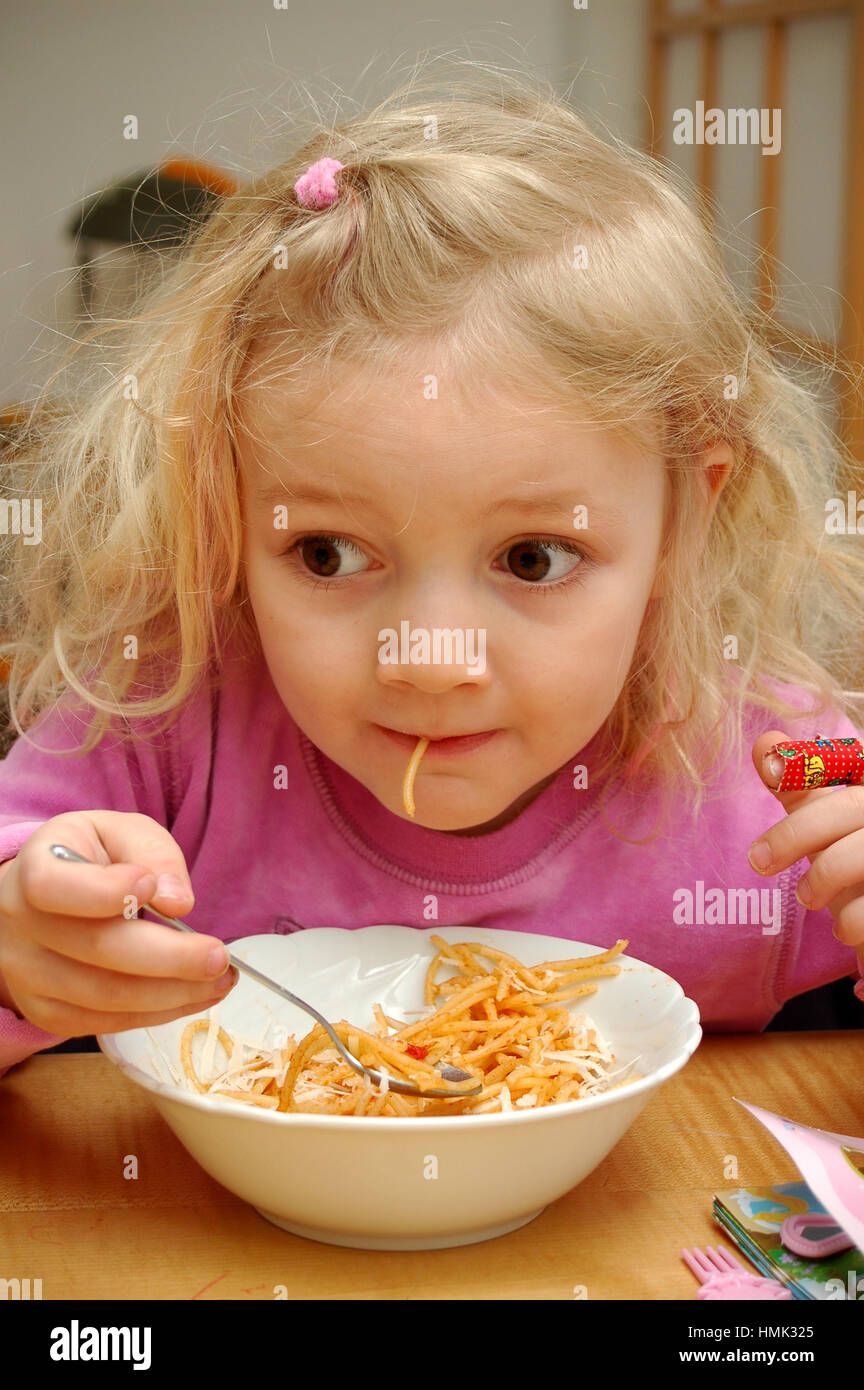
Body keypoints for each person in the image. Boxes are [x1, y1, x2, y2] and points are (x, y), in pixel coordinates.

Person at [2, 67, 864, 1084]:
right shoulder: (159, 707)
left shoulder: (788, 757)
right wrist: (21, 957)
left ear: (686, 518)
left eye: (533, 559)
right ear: (225, 513)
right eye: (328, 555)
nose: (430, 659)